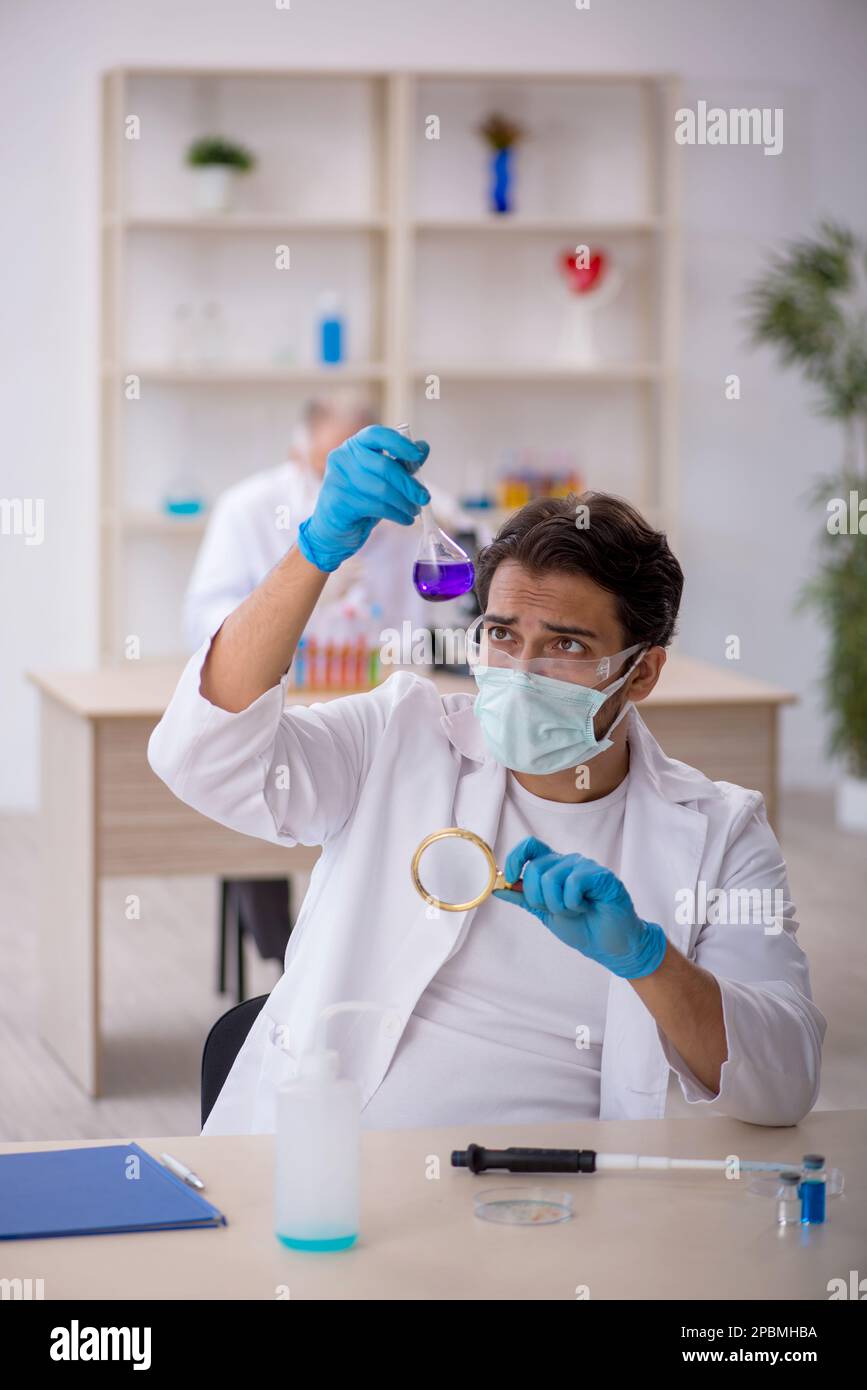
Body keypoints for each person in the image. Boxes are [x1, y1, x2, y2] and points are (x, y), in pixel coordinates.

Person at [149, 424, 825, 1134]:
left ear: (642, 671)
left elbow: (782, 1083)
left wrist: (646, 959)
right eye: (501, 635)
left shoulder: (721, 832)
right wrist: (316, 550)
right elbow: (203, 757)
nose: (519, 671)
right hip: (324, 1175)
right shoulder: (400, 735)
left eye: (564, 645)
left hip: (554, 1202)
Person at [184, 398, 481, 966]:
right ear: (298, 454)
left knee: (416, 811)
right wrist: (302, 594)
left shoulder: (417, 510)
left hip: (390, 708)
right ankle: (286, 963)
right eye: (327, 467)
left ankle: (392, 958)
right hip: (284, 702)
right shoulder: (250, 508)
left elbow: (469, 601)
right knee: (260, 795)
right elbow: (204, 623)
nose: (345, 484)